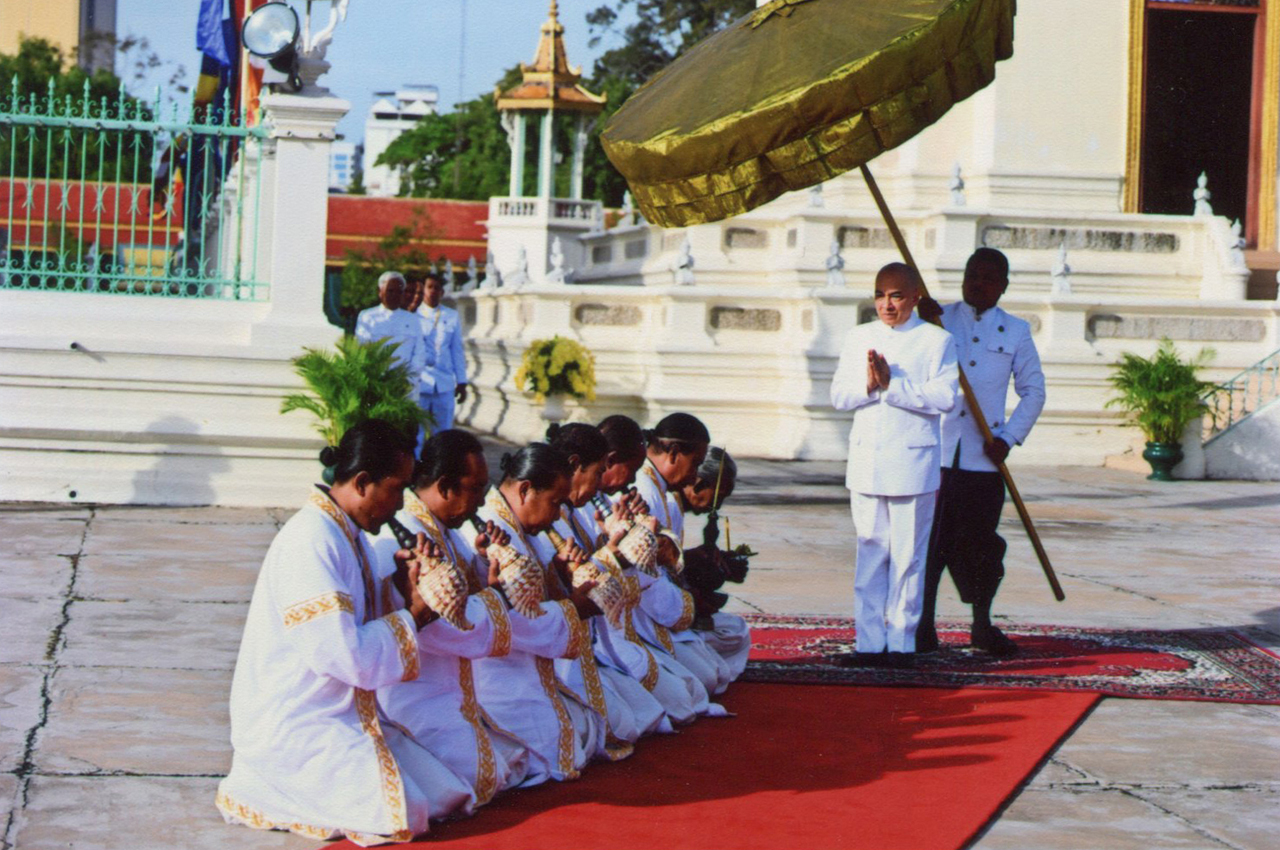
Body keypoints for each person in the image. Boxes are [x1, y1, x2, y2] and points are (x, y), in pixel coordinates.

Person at [217, 420, 474, 845]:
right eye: (396, 489)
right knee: (403, 814)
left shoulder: (347, 534)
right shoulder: (311, 540)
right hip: (298, 720)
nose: (401, 504)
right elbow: (345, 655)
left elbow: (364, 625)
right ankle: (260, 784)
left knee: (449, 794)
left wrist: (403, 591)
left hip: (344, 713)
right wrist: (414, 615)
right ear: (361, 482)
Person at [370, 429, 541, 807]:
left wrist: (482, 562)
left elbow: (462, 598)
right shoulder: (404, 536)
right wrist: (498, 597)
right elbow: (444, 626)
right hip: (417, 696)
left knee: (519, 759)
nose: (482, 501)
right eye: (476, 489)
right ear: (446, 486)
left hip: (453, 692)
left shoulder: (443, 530)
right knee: (481, 780)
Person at [917, 247, 1046, 656]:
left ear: (1003, 286)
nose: (978, 283)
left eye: (989, 278)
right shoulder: (935, 318)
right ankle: (922, 626)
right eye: (972, 274)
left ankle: (982, 625)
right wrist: (917, 324)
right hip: (935, 456)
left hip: (984, 460)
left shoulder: (1016, 331)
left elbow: (1034, 391)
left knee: (981, 548)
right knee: (928, 546)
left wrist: (1008, 438)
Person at [830, 262, 959, 666]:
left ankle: (902, 643)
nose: (887, 304)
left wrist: (894, 385)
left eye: (896, 296)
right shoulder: (858, 337)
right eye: (880, 295)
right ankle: (869, 643)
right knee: (870, 555)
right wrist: (869, 384)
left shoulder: (936, 340)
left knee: (907, 558)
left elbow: (945, 398)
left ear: (915, 298)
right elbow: (839, 396)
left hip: (913, 463)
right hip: (868, 461)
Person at [473, 444, 606, 781]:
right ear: (525, 490)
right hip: (496, 680)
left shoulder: (524, 528)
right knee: (564, 749)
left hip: (531, 672)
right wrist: (573, 608)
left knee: (594, 728)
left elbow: (533, 602)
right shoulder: (489, 529)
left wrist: (561, 578)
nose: (558, 515)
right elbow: (513, 622)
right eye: (555, 503)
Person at [541, 422, 671, 744]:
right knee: (628, 724)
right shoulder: (545, 513)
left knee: (663, 709)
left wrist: (614, 539)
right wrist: (613, 554)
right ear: (575, 465)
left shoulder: (576, 507)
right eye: (598, 472)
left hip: (590, 644)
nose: (600, 483)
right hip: (556, 661)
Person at [633, 414, 736, 698]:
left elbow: (663, 568)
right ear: (674, 453)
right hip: (639, 619)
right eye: (695, 463)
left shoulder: (660, 492)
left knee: (717, 668)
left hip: (662, 609)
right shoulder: (645, 492)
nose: (694, 476)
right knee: (701, 685)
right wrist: (690, 605)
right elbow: (643, 578)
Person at [675, 447, 752, 681]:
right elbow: (652, 575)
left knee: (737, 630)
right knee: (708, 677)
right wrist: (693, 600)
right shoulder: (664, 505)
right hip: (653, 623)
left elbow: (670, 565)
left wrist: (718, 564)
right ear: (698, 484)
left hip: (676, 612)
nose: (717, 506)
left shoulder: (674, 507)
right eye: (719, 496)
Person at [415, 271, 469, 431]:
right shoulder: (413, 314)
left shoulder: (451, 316)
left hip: (444, 383)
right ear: (423, 290)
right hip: (420, 383)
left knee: (443, 432)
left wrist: (462, 381)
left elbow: (456, 350)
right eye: (429, 287)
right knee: (417, 433)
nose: (433, 291)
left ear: (442, 292)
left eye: (437, 288)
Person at [355, 271, 427, 381]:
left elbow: (419, 354)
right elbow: (362, 350)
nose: (394, 295)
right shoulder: (367, 317)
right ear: (380, 292)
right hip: (376, 382)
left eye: (399, 292)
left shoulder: (412, 319)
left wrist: (408, 380)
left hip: (406, 383)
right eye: (390, 291)